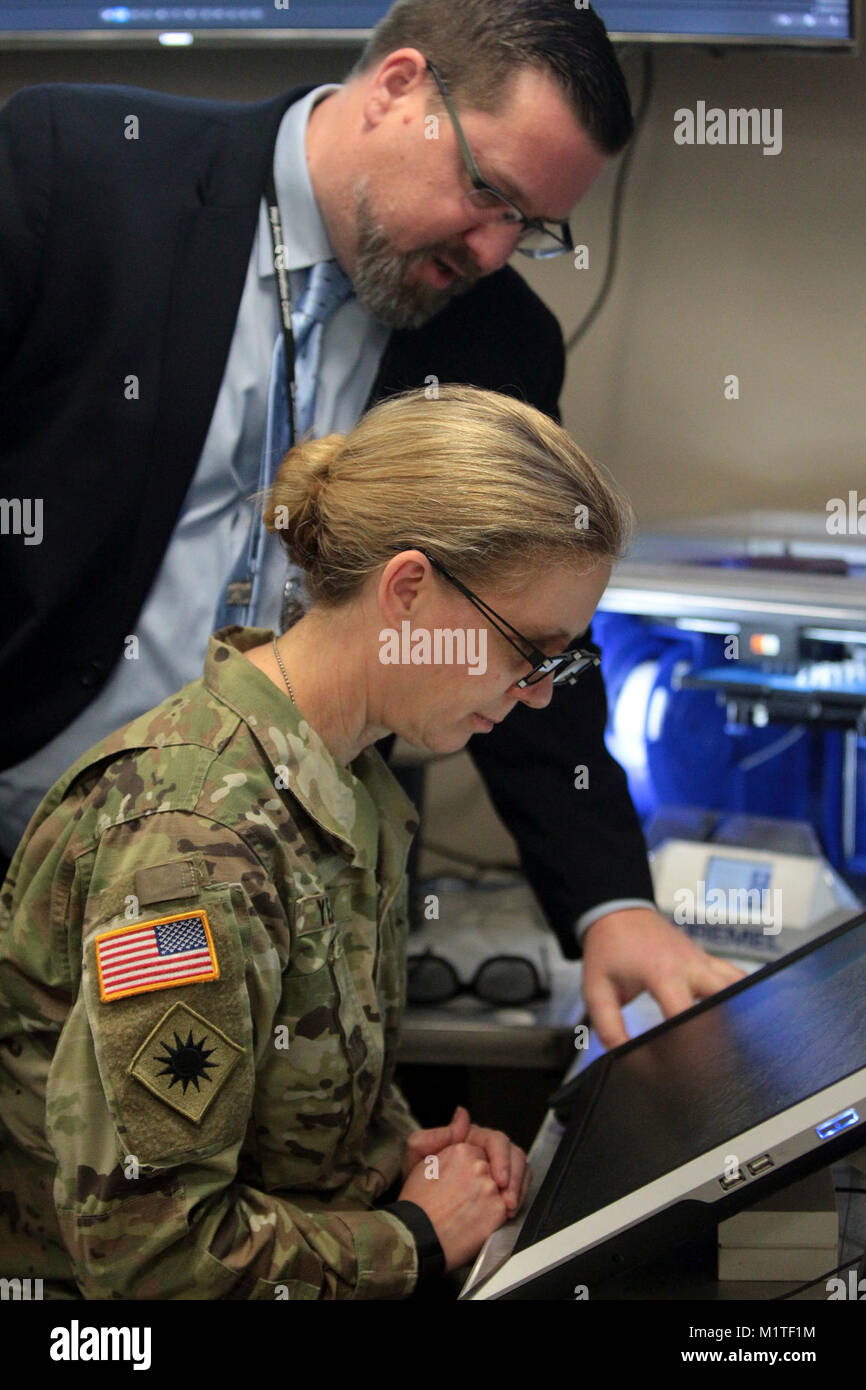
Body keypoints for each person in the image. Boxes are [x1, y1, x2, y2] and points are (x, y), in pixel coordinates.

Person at [0, 0, 740, 1049]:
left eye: (529, 227)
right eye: (486, 191)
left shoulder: (499, 340)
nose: (492, 250)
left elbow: (518, 623)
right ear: (397, 88)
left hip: (271, 902)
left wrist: (610, 900)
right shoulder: (78, 171)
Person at [5, 384, 638, 1299]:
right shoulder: (195, 848)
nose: (538, 695)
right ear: (410, 588)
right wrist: (415, 1237)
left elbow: (267, 1123)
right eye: (525, 650)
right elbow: (151, 1256)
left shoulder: (350, 783)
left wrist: (396, 1166)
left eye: (562, 663)